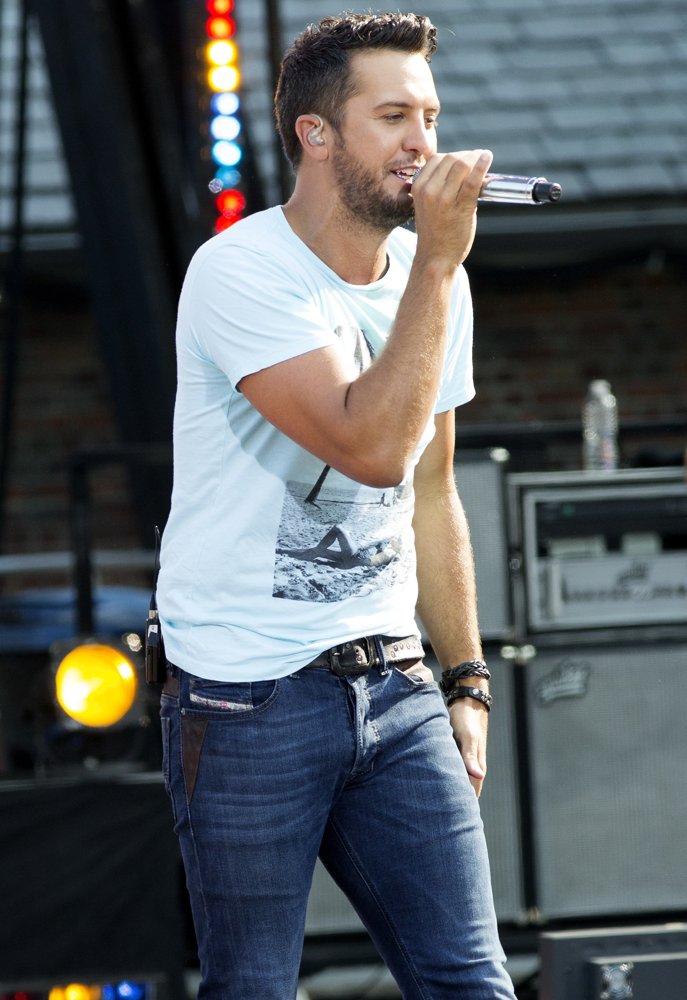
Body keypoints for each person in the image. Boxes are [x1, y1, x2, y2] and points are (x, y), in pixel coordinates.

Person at [157, 11, 516, 999]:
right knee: (257, 988)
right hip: (247, 696)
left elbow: (432, 487)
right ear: (317, 135)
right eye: (393, 115)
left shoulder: (434, 278)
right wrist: (439, 264)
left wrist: (468, 679)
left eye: (432, 117)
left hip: (395, 686)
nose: (425, 144)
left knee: (471, 982)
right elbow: (368, 448)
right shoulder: (241, 273)